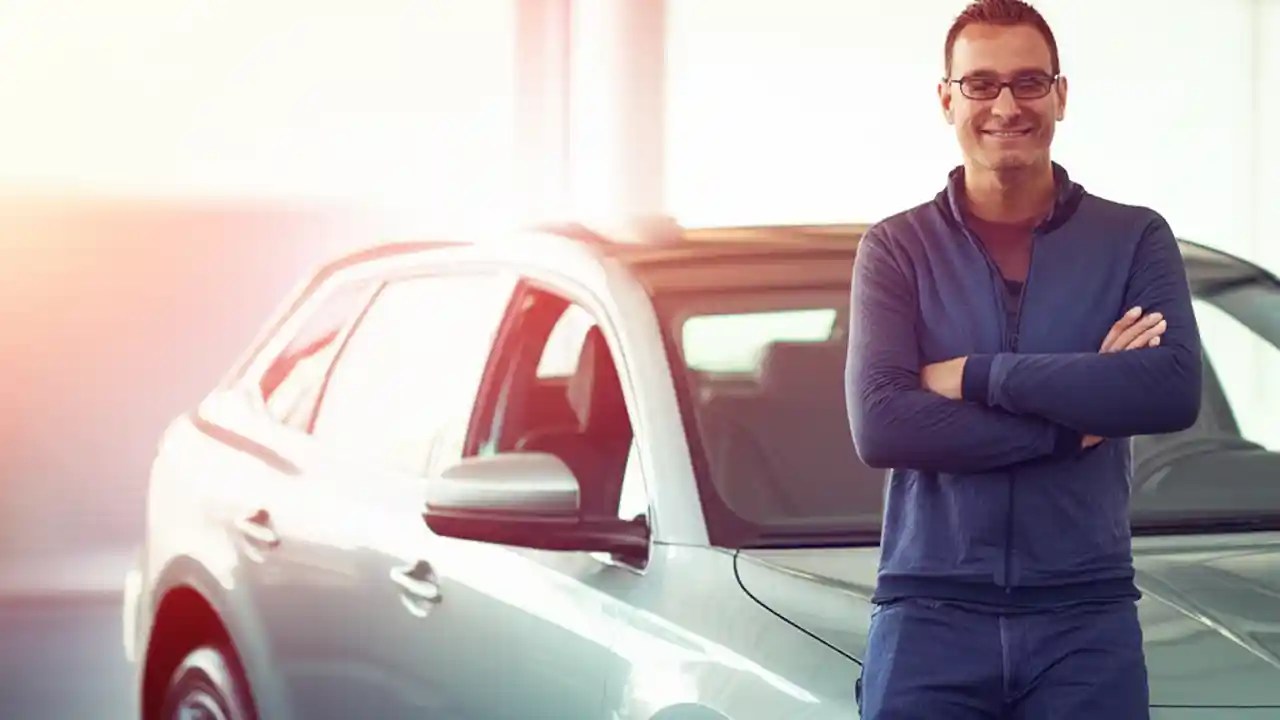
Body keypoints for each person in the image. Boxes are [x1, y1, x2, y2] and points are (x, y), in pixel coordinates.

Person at [844, 1, 1203, 718]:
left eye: (1029, 82)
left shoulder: (1134, 239)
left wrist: (975, 375)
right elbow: (885, 425)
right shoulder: (896, 249)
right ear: (946, 99)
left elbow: (1168, 389)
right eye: (980, 84)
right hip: (929, 617)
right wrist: (1074, 422)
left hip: (1086, 617)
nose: (1006, 105)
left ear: (1060, 96)